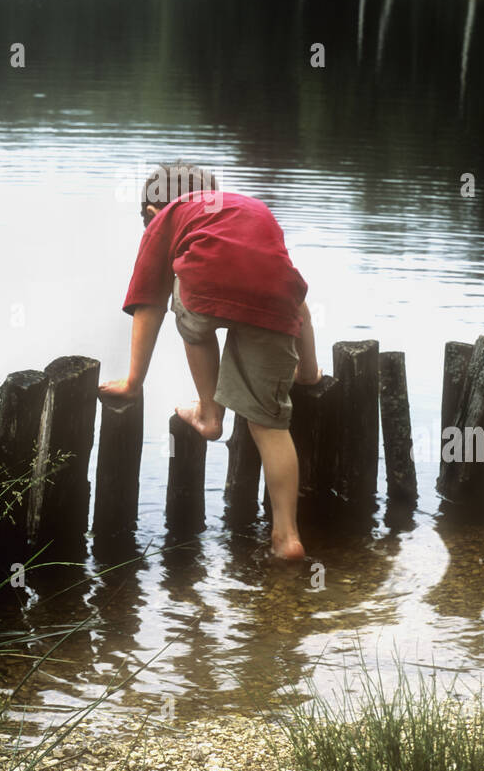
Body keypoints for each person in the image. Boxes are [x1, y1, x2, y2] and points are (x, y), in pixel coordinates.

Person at [98, 163, 321, 560]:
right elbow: (297, 299)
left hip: (204, 290)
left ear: (151, 214)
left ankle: (209, 413)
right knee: (270, 426)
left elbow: (148, 304)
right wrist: (308, 372)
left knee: (192, 317)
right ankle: (287, 536)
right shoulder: (248, 208)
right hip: (275, 305)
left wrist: (133, 382)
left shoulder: (164, 220)